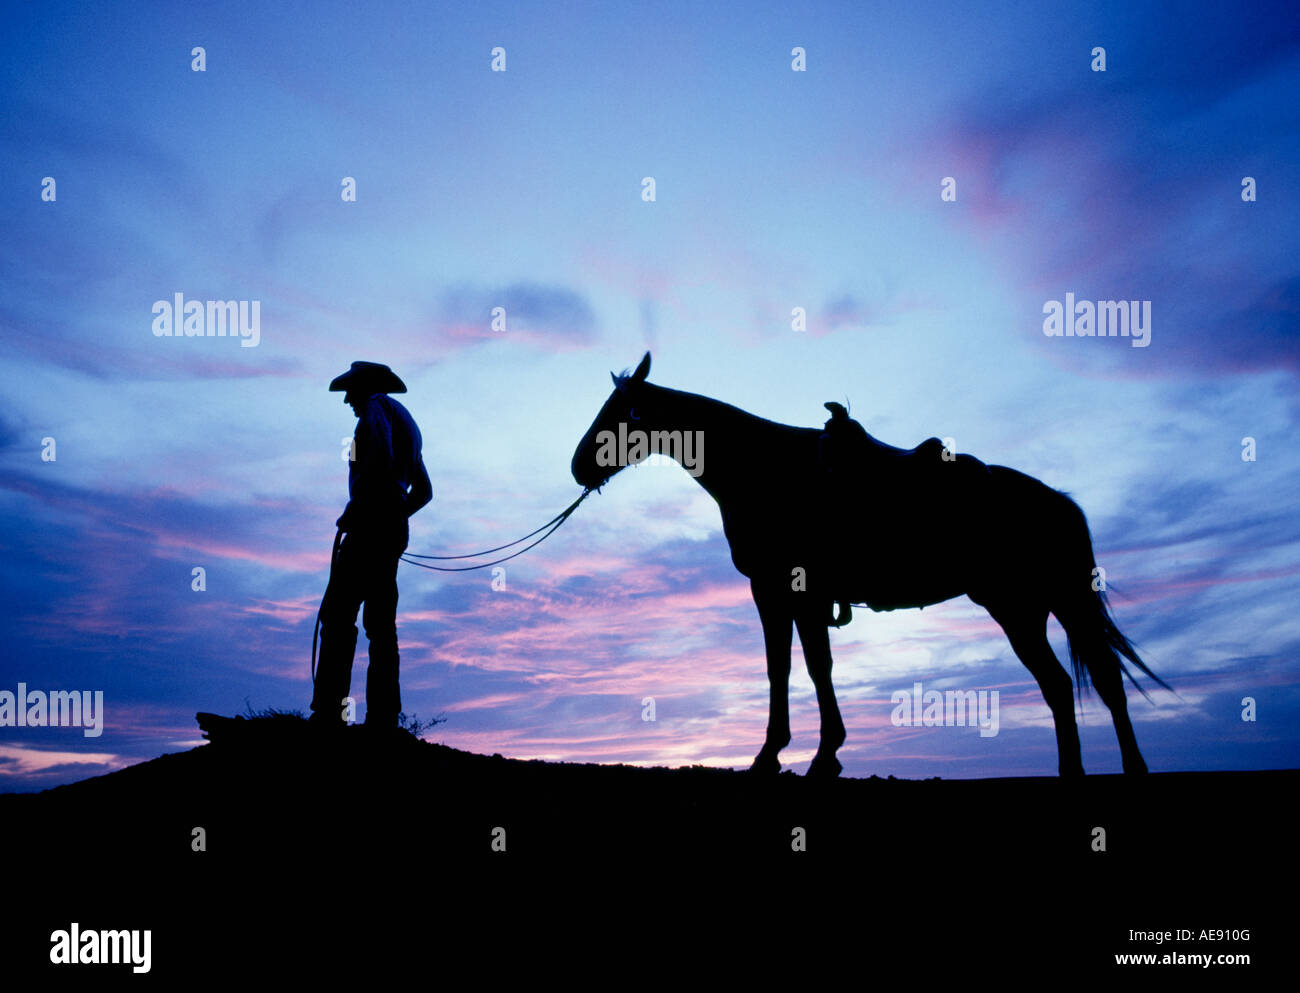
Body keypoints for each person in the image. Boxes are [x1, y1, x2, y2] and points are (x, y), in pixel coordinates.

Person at [310, 361, 432, 728]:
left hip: (369, 526)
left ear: (365, 387)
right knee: (381, 625)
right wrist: (394, 515)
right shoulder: (408, 423)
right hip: (390, 528)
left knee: (337, 616)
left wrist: (361, 510)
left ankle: (329, 714)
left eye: (350, 390)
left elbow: (379, 456)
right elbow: (424, 492)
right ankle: (383, 718)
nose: (346, 399)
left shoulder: (376, 407)